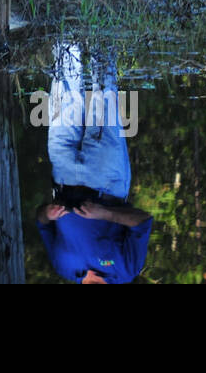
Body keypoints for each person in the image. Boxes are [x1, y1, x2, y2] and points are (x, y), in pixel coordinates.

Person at [35, 41, 153, 284]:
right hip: (106, 181)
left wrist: (48, 212)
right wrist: (104, 213)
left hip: (63, 177)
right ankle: (103, 22)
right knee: (103, 91)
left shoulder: (64, 269)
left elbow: (41, 222)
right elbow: (142, 222)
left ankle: (66, 29)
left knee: (62, 91)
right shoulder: (125, 271)